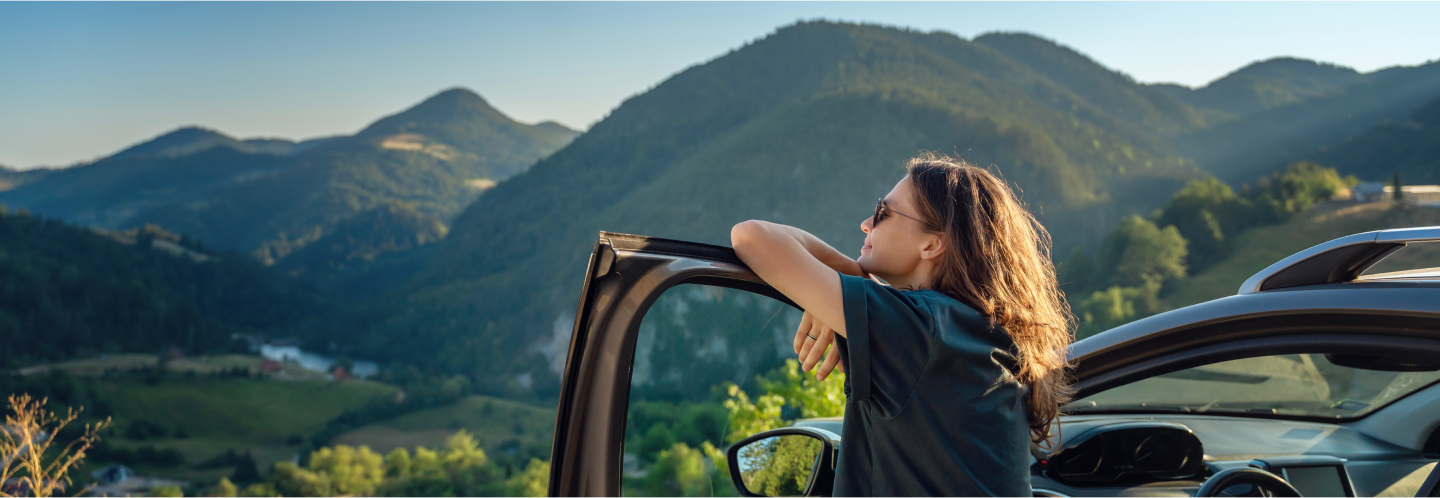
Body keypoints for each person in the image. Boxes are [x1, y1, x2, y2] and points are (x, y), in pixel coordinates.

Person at [730, 153, 1075, 496]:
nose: (867, 223)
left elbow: (750, 237)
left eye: (883, 213)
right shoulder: (978, 333)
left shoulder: (922, 329)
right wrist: (845, 287)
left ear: (932, 244)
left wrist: (846, 280)